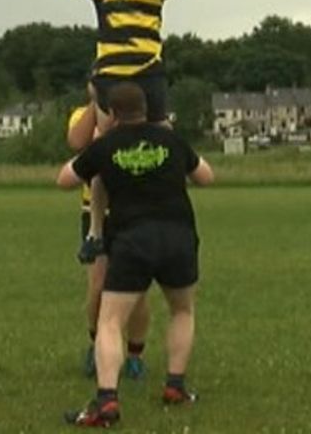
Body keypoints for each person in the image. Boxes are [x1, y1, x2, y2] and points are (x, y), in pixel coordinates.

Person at [26, 0, 214, 255]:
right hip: (111, 79)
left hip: (149, 77)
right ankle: (96, 230)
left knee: (166, 142)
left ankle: (173, 214)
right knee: (102, 148)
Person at [56, 82, 214, 428]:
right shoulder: (171, 140)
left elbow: (65, 179)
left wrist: (96, 155)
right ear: (149, 109)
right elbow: (206, 176)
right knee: (182, 311)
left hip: (131, 240)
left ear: (111, 114)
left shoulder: (106, 145)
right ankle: (175, 387)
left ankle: (107, 401)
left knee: (111, 322)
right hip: (178, 236)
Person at [67, 90, 150, 381]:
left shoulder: (137, 111)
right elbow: (78, 143)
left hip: (133, 206)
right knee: (98, 284)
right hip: (95, 211)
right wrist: (95, 103)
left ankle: (135, 355)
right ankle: (97, 345)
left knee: (137, 291)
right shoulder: (83, 115)